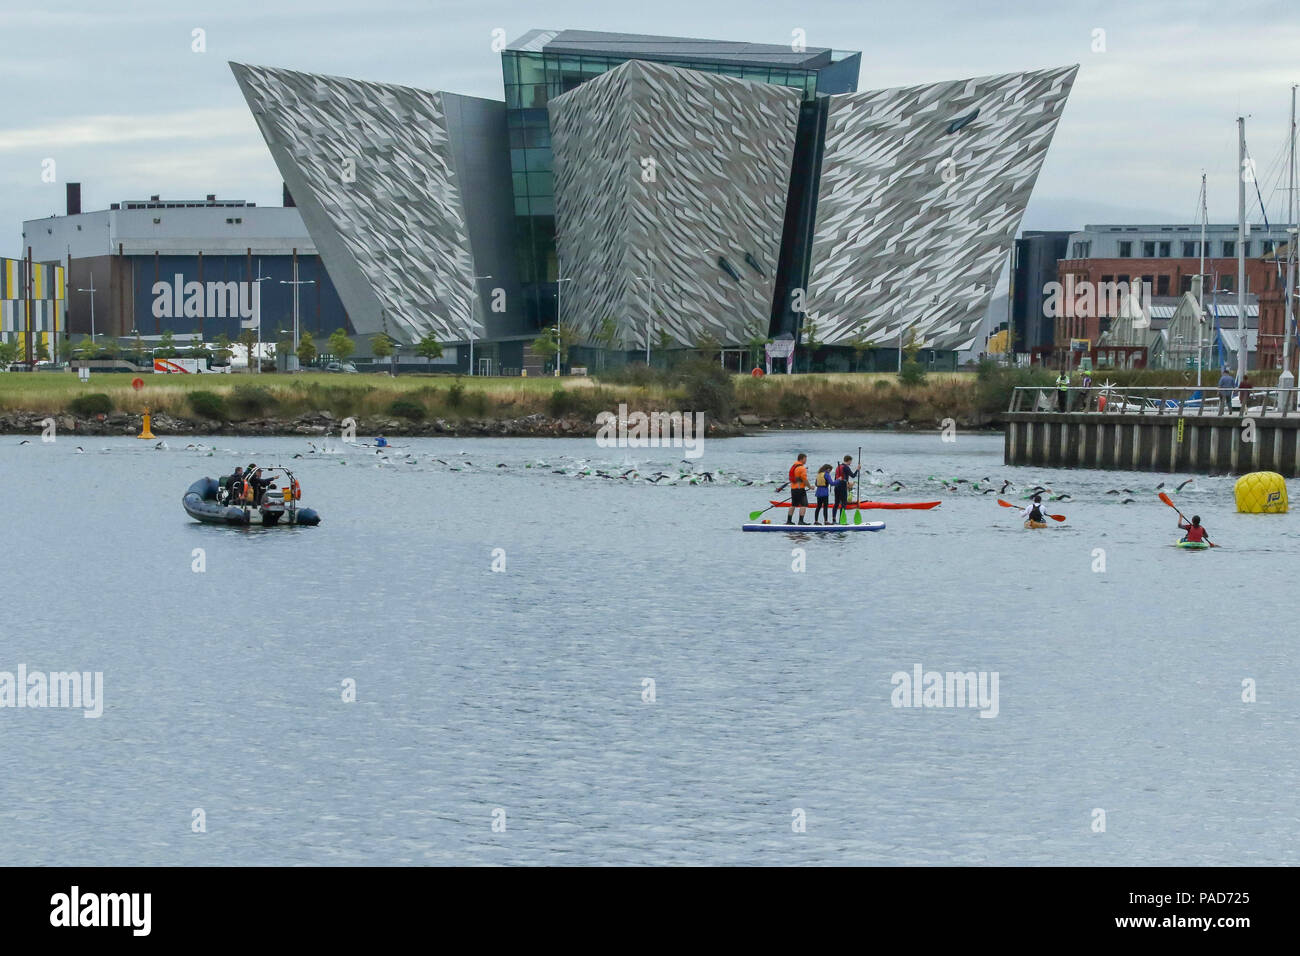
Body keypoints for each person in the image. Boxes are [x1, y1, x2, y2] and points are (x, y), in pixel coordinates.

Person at [832, 454, 858, 523]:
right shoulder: (846, 467)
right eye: (850, 461)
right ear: (848, 460)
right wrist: (857, 470)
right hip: (842, 486)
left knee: (836, 503)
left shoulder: (838, 467)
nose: (851, 463)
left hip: (836, 486)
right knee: (843, 503)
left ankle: (834, 519)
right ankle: (841, 520)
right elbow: (853, 476)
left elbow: (835, 478)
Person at [785, 453, 810, 525]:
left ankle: (789, 521)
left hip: (793, 488)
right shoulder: (802, 468)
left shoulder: (794, 466)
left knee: (793, 504)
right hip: (800, 489)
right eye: (805, 459)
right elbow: (804, 479)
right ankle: (801, 521)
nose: (806, 460)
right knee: (804, 505)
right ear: (802, 459)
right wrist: (809, 487)